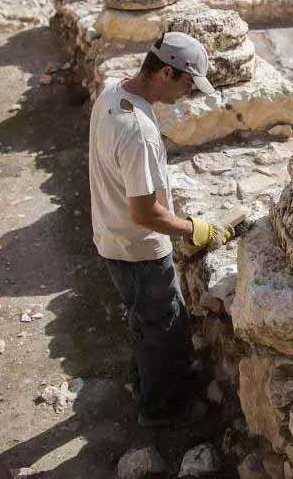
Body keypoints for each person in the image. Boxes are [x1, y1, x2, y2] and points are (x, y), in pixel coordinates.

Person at [88, 32, 231, 427]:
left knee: (142, 321)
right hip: (138, 251)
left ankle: (141, 385)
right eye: (187, 83)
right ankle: (162, 412)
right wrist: (194, 229)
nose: (188, 92)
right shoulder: (138, 133)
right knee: (163, 330)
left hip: (111, 236)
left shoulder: (114, 94)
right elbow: (146, 213)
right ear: (166, 71)